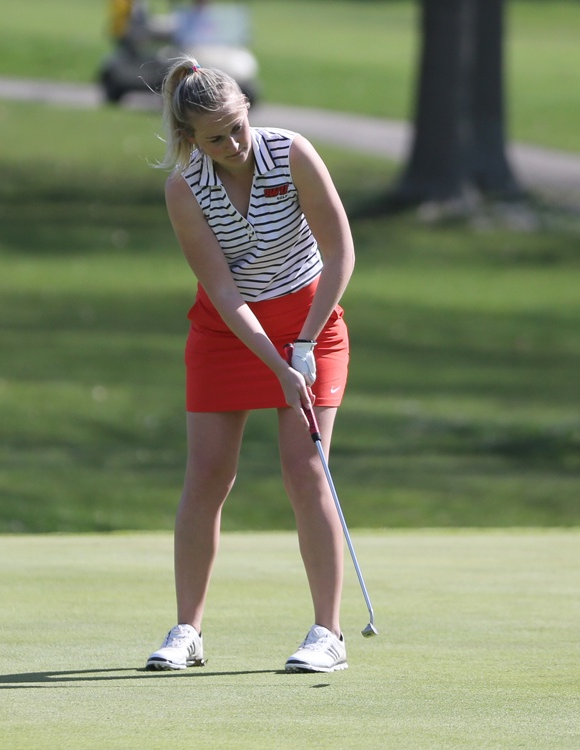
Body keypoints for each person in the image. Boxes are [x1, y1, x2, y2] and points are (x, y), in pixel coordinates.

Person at [145, 54, 356, 673]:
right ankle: (187, 630)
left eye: (238, 125)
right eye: (217, 137)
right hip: (227, 331)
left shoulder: (290, 153)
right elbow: (224, 291)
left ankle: (328, 634)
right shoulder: (184, 189)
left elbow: (340, 253)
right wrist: (275, 360)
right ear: (191, 140)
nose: (235, 143)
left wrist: (304, 347)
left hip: (313, 321)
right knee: (208, 475)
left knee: (305, 470)